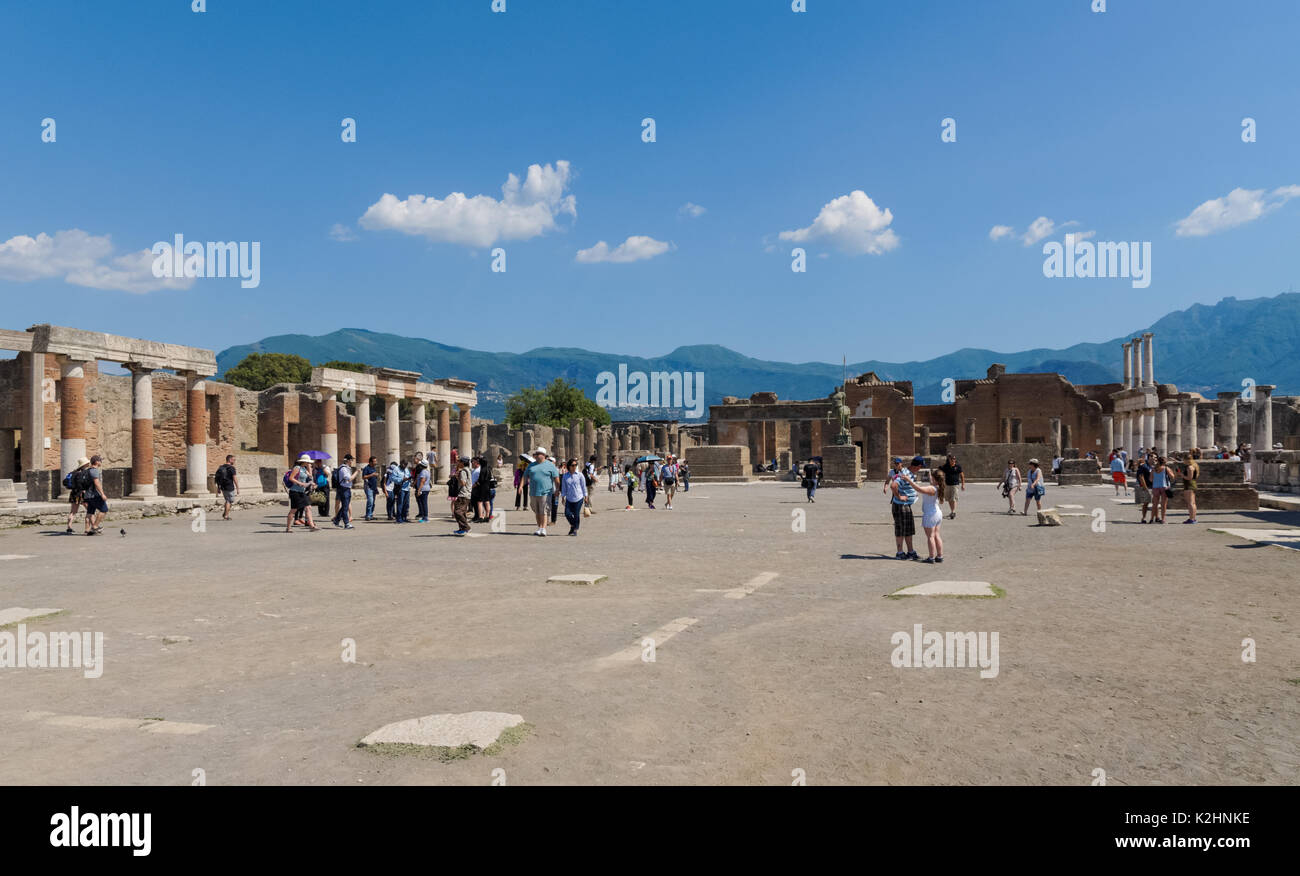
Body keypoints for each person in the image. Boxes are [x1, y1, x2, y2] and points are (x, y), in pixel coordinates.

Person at [890, 457, 922, 560]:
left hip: (905, 505)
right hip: (900, 505)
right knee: (900, 529)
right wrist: (899, 497)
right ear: (918, 466)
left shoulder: (908, 473)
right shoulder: (906, 474)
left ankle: (910, 551)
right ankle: (899, 552)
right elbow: (894, 485)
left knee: (908, 529)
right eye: (920, 467)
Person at [525, 447, 561, 536]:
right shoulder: (531, 465)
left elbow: (557, 479)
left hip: (546, 492)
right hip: (533, 492)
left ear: (543, 455)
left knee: (544, 511)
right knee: (537, 511)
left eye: (538, 454)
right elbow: (525, 476)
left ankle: (543, 529)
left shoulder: (550, 465)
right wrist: (521, 486)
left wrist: (557, 489)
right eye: (535, 454)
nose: (536, 455)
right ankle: (539, 527)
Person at [913, 468, 945, 563]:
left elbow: (918, 489)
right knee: (936, 535)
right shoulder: (938, 486)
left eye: (931, 477)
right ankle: (939, 556)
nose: (930, 478)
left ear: (934, 479)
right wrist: (931, 473)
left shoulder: (932, 488)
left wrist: (908, 480)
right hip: (937, 513)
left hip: (930, 514)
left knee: (930, 536)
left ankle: (931, 557)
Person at [285, 454, 318, 532]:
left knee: (308, 507)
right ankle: (288, 528)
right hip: (295, 492)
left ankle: (312, 526)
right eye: (308, 462)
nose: (309, 463)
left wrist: (311, 482)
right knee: (293, 510)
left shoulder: (304, 469)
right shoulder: (297, 468)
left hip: (302, 492)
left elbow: (310, 476)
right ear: (304, 461)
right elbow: (291, 478)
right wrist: (300, 483)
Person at [561, 458, 588, 535]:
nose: (574, 467)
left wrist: (586, 496)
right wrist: (563, 497)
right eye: (573, 465)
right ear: (569, 466)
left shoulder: (580, 475)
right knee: (567, 514)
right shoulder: (565, 476)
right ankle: (573, 525)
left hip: (578, 497)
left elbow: (583, 486)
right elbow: (564, 487)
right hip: (569, 498)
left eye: (576, 465)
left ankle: (575, 529)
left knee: (576, 514)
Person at [64, 456, 91, 534]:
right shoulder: (81, 473)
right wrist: (83, 490)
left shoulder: (74, 472)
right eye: (87, 463)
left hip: (73, 493)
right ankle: (89, 528)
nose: (88, 464)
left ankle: (69, 527)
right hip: (80, 494)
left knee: (73, 512)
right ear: (85, 464)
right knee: (90, 510)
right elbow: (80, 484)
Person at [82, 455, 108, 535]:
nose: (101, 462)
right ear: (97, 462)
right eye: (100, 460)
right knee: (104, 509)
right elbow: (96, 483)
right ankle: (95, 527)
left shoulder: (87, 470)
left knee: (90, 512)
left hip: (87, 495)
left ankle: (88, 529)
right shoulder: (94, 470)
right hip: (94, 495)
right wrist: (102, 494)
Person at [937, 453, 965, 519]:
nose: (953, 460)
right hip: (947, 484)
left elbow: (962, 476)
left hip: (955, 485)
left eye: (954, 459)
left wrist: (963, 485)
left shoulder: (958, 466)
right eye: (952, 459)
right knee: (949, 499)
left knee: (953, 498)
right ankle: (952, 511)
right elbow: (940, 470)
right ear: (949, 459)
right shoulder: (946, 466)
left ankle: (953, 511)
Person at [332, 454, 355, 529]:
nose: (352, 461)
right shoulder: (343, 469)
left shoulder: (346, 468)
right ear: (348, 460)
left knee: (345, 506)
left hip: (346, 488)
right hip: (343, 489)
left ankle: (336, 520)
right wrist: (357, 472)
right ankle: (347, 523)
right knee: (345, 507)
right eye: (351, 460)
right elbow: (349, 479)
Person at [215, 454, 239, 521]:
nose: (234, 461)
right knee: (229, 501)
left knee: (227, 500)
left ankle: (225, 513)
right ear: (230, 459)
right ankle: (226, 515)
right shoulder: (231, 468)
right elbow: (235, 479)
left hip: (223, 487)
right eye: (234, 460)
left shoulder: (221, 467)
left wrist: (218, 488)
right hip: (229, 487)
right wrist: (238, 488)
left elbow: (218, 478)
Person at [1181, 450, 1200, 524]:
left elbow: (1189, 477)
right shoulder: (1194, 465)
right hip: (1193, 484)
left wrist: (1182, 475)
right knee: (1193, 503)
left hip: (1189, 485)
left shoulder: (1190, 467)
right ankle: (1193, 518)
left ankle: (1191, 518)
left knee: (1190, 503)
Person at [1150, 455, 1170, 524]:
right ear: (1165, 462)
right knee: (1163, 504)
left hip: (1155, 487)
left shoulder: (1153, 469)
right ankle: (1163, 519)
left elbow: (1151, 479)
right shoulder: (1166, 468)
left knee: (1154, 504)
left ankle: (1151, 519)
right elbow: (1172, 476)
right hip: (1164, 487)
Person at [1135, 452, 1154, 522]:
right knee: (1146, 503)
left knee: (1155, 503)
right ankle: (1144, 517)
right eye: (1153, 458)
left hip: (1155, 486)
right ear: (1149, 458)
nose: (1154, 459)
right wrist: (1145, 488)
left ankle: (1155, 518)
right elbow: (1141, 477)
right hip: (1148, 487)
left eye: (1155, 458)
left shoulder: (1155, 466)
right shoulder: (1144, 466)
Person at [361, 457, 379, 521]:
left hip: (374, 487)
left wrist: (376, 475)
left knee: (373, 502)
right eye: (374, 461)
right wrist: (372, 475)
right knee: (370, 501)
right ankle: (368, 515)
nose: (376, 462)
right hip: (368, 487)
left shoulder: (374, 468)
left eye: (376, 461)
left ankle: (370, 514)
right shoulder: (366, 468)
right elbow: (364, 477)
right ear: (370, 462)